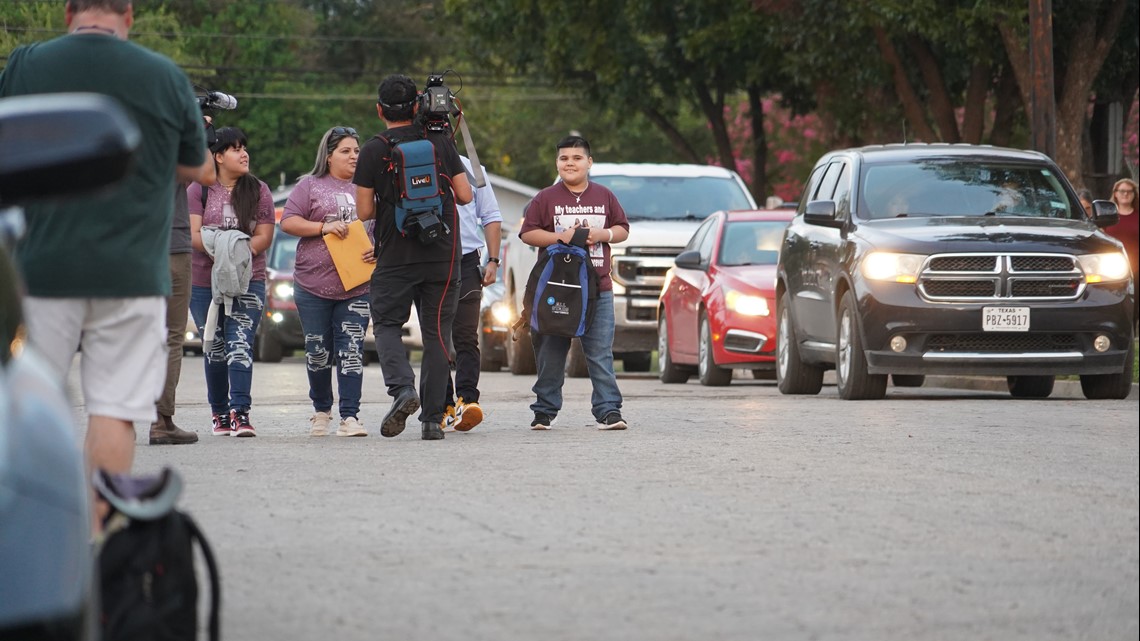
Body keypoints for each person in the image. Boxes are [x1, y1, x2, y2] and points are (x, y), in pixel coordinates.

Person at [0, 0, 209, 482]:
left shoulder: (27, 64)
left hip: (41, 271)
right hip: (133, 273)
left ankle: (35, 538)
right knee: (114, 411)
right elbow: (194, 167)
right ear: (129, 16)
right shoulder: (165, 75)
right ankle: (99, 529)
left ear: (69, 12)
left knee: (27, 411)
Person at [353, 74, 473, 441]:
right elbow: (466, 195)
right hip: (442, 255)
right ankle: (433, 421)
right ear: (417, 106)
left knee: (387, 324)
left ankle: (403, 389)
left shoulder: (373, 150)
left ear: (379, 110)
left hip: (395, 254)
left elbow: (362, 211)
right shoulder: (438, 141)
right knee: (437, 334)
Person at [519, 135, 631, 431]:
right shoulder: (545, 198)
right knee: (551, 351)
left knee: (599, 352)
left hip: (598, 289)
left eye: (577, 158)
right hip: (557, 288)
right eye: (564, 158)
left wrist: (601, 234)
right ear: (557, 163)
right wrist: (560, 237)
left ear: (589, 162)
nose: (570, 163)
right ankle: (544, 411)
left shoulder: (604, 195)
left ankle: (609, 411)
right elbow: (528, 233)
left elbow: (623, 229)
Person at [281, 126, 375, 437]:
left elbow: (384, 225)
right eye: (346, 151)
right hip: (313, 286)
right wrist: (324, 226)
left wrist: (380, 249)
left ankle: (350, 416)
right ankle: (321, 411)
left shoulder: (369, 187)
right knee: (317, 350)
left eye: (356, 151)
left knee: (351, 350)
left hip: (358, 286)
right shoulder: (310, 185)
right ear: (329, 155)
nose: (353, 156)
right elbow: (289, 221)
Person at [187, 127, 275, 437]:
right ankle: (219, 414)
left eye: (245, 147)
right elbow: (194, 236)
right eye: (235, 149)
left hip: (249, 279)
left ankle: (241, 412)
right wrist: (228, 245)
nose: (244, 154)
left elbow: (264, 236)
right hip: (202, 282)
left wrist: (238, 251)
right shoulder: (199, 190)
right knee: (215, 347)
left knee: (240, 344)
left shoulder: (259, 190)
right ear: (218, 156)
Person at [151, 124, 218, 446]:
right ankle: (161, 420)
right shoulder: (170, 143)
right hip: (170, 248)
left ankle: (114, 414)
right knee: (171, 335)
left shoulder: (125, 134)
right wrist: (198, 132)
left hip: (131, 246)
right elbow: (206, 173)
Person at [441, 156, 503, 433]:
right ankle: (443, 404)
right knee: (436, 337)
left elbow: (490, 214)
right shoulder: (409, 158)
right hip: (428, 261)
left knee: (466, 335)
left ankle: (468, 399)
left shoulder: (471, 167)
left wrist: (493, 259)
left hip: (466, 259)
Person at [1106, 178, 1138, 327]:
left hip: (1136, 269)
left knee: (1135, 304)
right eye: (1122, 191)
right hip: (1111, 269)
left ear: (1134, 194)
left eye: (1129, 191)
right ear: (1115, 194)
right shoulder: (1107, 217)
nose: (1125, 194)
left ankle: (1132, 334)